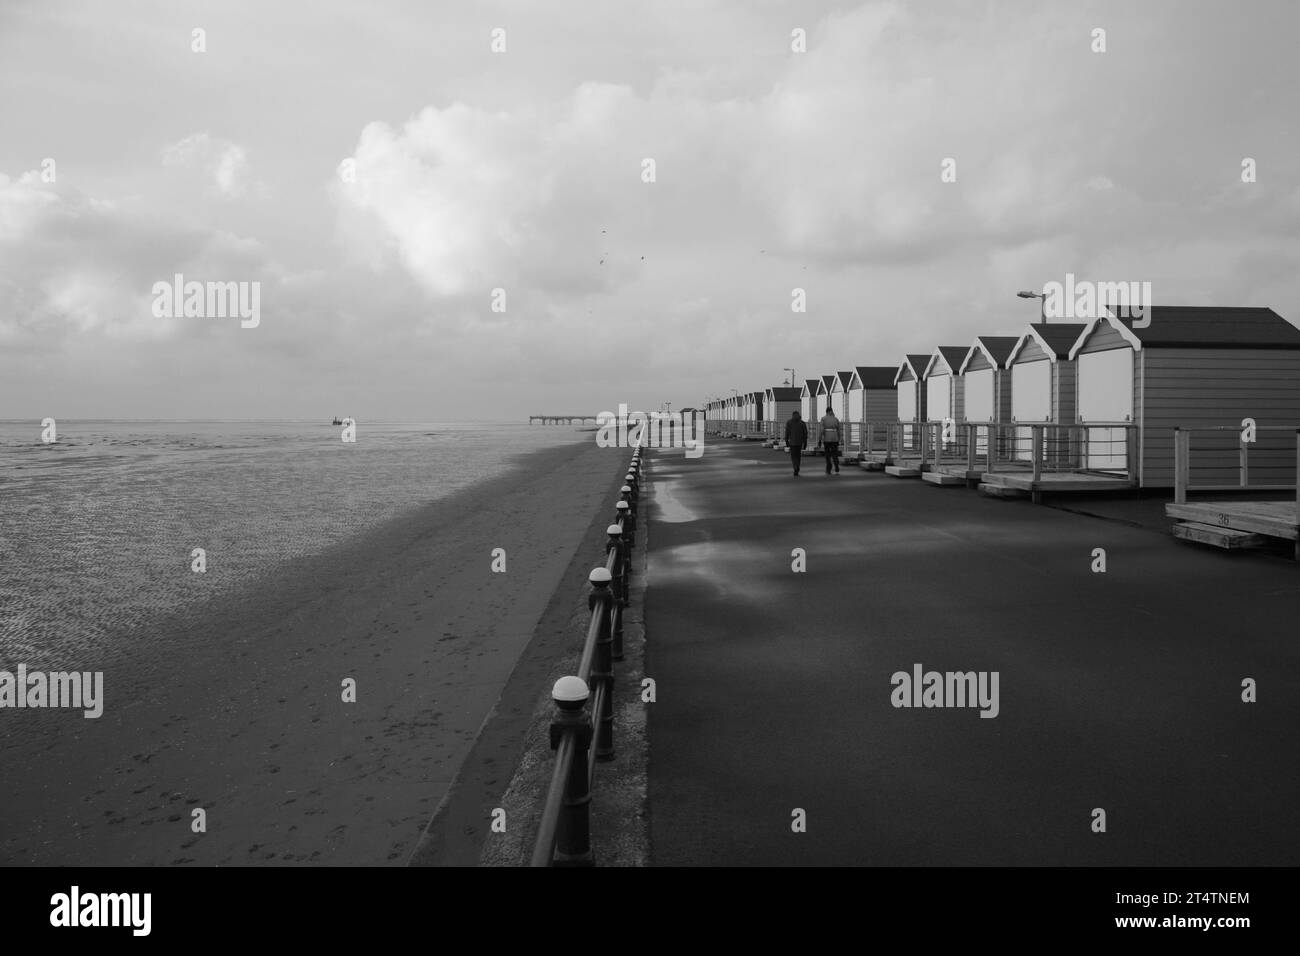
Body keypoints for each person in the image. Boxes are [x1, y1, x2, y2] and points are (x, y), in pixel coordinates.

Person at [784, 411, 808, 476]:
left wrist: (786, 440)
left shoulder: (789, 422)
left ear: (792, 415)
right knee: (798, 456)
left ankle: (795, 467)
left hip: (792, 442)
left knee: (793, 456)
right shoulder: (802, 423)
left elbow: (787, 432)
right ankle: (797, 466)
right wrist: (805, 442)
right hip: (799, 442)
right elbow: (805, 433)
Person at [820, 406, 841, 474]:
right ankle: (836, 465)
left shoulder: (823, 419)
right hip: (835, 438)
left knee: (827, 454)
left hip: (827, 438)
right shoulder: (836, 419)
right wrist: (839, 438)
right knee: (835, 453)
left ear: (826, 412)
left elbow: (822, 430)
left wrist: (820, 439)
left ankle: (828, 468)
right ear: (832, 411)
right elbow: (839, 430)